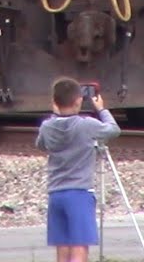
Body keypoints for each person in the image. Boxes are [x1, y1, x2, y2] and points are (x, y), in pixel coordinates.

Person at [36, 77, 122, 262]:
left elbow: (41, 145)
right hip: (79, 194)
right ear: (78, 100)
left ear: (54, 102)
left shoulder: (47, 126)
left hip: (56, 194)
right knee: (79, 247)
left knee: (63, 246)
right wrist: (102, 109)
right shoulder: (87, 125)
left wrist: (55, 116)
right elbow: (113, 130)